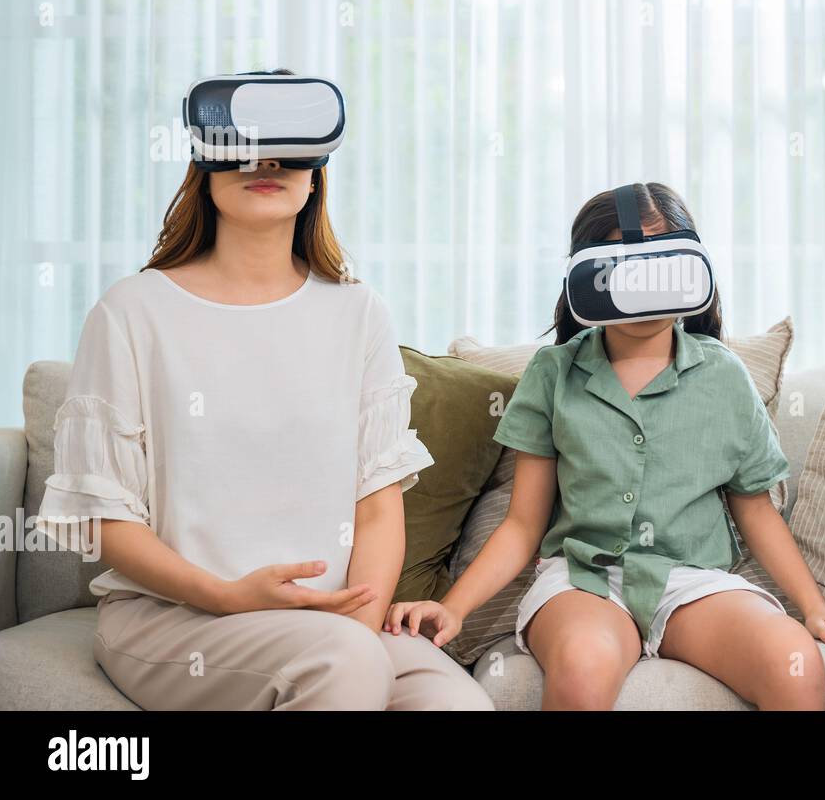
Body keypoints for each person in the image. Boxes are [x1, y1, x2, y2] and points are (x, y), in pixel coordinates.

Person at [32, 70, 493, 710]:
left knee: (457, 704)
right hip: (180, 619)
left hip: (333, 625)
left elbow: (378, 507)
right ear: (204, 164)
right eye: (246, 147)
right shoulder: (132, 312)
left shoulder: (359, 312)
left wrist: (355, 622)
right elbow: (101, 519)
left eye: (288, 149)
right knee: (343, 664)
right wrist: (225, 595)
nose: (266, 162)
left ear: (316, 174)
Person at [387, 182, 825, 710]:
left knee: (794, 664)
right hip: (584, 581)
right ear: (589, 278)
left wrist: (812, 607)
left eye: (663, 269)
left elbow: (757, 511)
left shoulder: (723, 375)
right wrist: (453, 606)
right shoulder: (553, 374)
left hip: (694, 580)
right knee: (583, 667)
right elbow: (522, 524)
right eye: (625, 272)